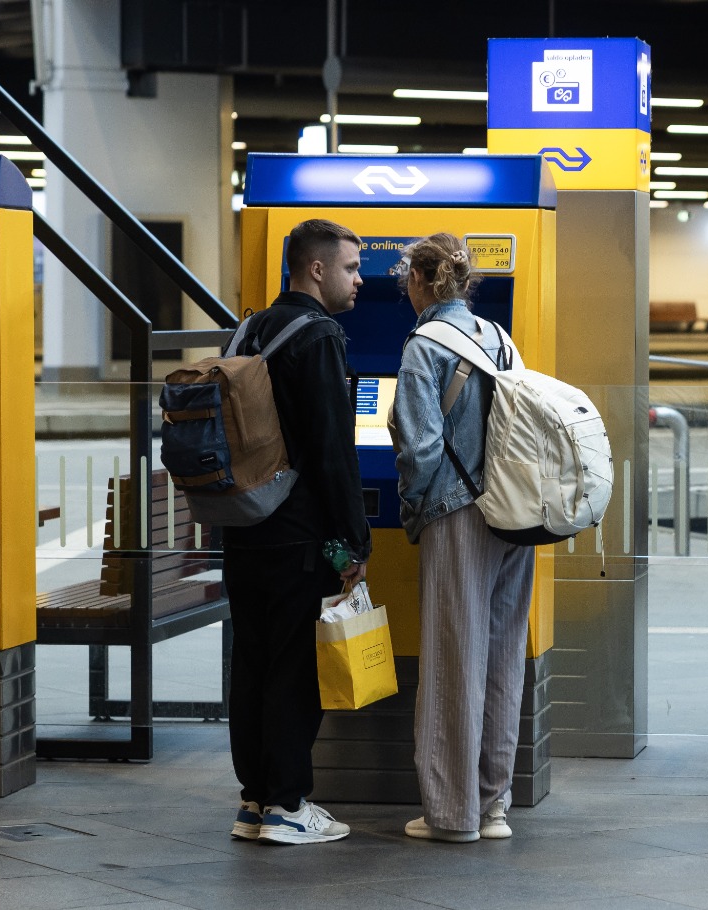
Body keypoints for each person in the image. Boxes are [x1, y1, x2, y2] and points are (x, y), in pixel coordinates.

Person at [222, 218, 371, 845]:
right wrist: (355, 541)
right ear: (316, 269)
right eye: (351, 268)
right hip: (296, 533)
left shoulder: (252, 326)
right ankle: (287, 804)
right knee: (292, 668)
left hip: (243, 522)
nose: (360, 280)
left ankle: (255, 799)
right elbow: (332, 449)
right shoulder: (319, 337)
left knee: (252, 662)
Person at [387, 232, 532, 843]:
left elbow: (420, 451)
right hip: (515, 514)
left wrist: (411, 509)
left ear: (417, 281)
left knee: (453, 662)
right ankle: (492, 806)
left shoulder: (423, 347)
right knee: (502, 656)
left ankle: (451, 815)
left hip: (457, 514)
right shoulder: (499, 338)